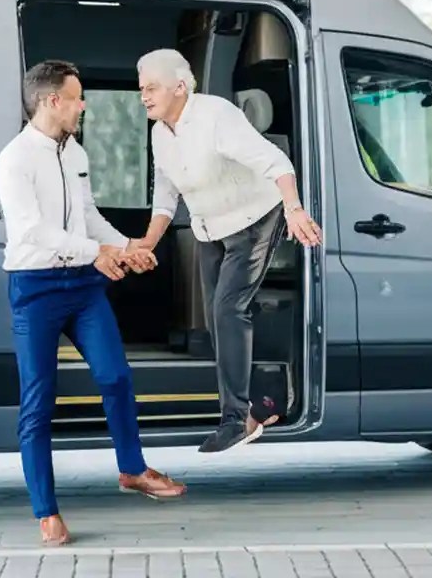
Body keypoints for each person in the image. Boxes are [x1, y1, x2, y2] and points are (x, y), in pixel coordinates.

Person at [0, 59, 187, 547]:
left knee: (116, 375)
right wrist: (99, 252)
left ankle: (131, 469)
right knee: (38, 402)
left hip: (81, 286)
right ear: (50, 100)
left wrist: (128, 247)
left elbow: (86, 215)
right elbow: (32, 231)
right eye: (77, 97)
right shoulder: (15, 159)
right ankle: (46, 513)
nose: (84, 106)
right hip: (34, 287)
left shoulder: (73, 151)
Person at [129, 48, 322, 454]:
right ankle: (259, 404)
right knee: (217, 320)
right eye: (141, 88)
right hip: (209, 227)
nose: (143, 95)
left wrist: (294, 209)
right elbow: (165, 193)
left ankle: (235, 419)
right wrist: (148, 241)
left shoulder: (216, 115)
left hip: (255, 217)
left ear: (179, 87)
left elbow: (276, 161)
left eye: (152, 88)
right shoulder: (161, 132)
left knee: (227, 308)